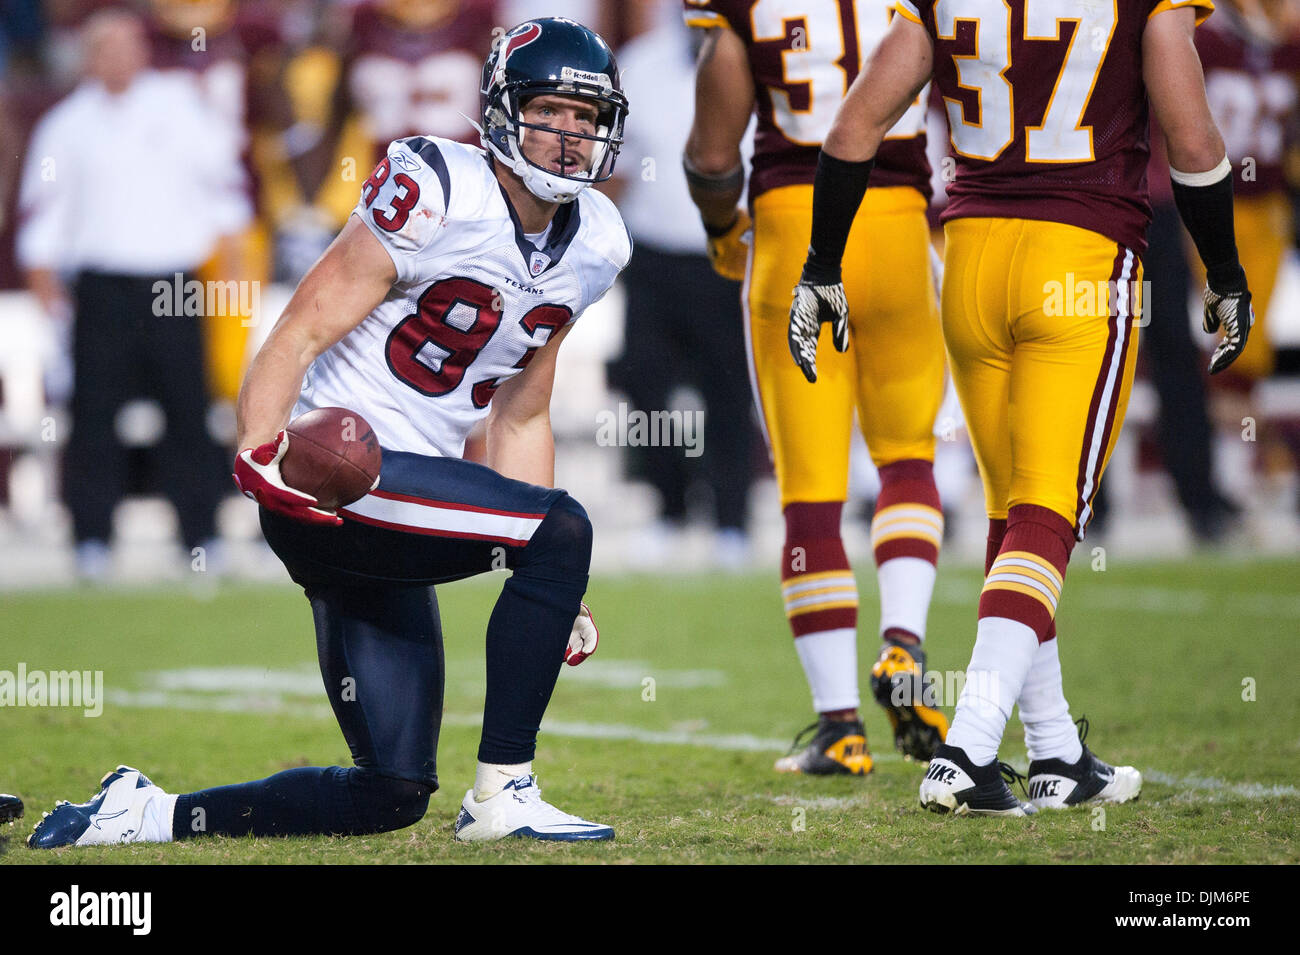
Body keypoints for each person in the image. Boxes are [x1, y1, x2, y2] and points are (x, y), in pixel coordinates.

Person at [29, 17, 632, 848]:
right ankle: (505, 792)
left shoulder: (596, 242)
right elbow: (302, 326)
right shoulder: (439, 186)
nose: (570, 136)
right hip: (338, 471)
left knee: (389, 790)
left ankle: (146, 813)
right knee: (563, 525)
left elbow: (520, 411)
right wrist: (257, 450)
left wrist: (548, 578)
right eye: (551, 110)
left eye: (586, 118)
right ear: (499, 109)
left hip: (401, 502)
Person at [790, 0, 1253, 814]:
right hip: (1078, 256)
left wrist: (821, 262)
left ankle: (1056, 752)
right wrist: (1225, 269)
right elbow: (1193, 139)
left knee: (1015, 516)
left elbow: (854, 126)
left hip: (970, 260)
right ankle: (966, 750)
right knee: (1047, 515)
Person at [682, 0, 951, 774]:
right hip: (899, 223)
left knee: (811, 495)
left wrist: (719, 226)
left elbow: (710, 153)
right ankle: (902, 643)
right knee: (908, 460)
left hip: (796, 228)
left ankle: (841, 727)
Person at [16, 8, 245, 580]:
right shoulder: (66, 125)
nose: (118, 58)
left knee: (188, 411)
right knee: (93, 415)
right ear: (89, 57)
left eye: (127, 46)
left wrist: (235, 264)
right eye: (105, 48)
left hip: (173, 280)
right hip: (101, 286)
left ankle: (201, 538)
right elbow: (43, 213)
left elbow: (224, 186)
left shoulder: (181, 106)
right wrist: (44, 280)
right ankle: (91, 540)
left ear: (144, 51)